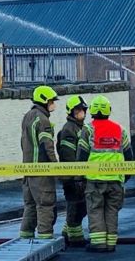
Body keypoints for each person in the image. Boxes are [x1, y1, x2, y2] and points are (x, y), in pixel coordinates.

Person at [85, 95, 131, 253]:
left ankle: (98, 243)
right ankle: (111, 243)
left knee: (95, 209)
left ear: (91, 110)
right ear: (109, 110)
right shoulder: (120, 129)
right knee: (112, 210)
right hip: (116, 179)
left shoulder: (88, 129)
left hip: (95, 179)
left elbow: (81, 155)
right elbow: (129, 155)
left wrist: (78, 176)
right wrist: (126, 175)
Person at [20, 85, 59, 240]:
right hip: (41, 171)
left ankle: (25, 236)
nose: (53, 104)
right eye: (51, 101)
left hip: (28, 169)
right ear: (44, 101)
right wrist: (56, 167)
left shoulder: (27, 116)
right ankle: (45, 238)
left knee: (30, 206)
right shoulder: (43, 120)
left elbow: (23, 143)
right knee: (45, 205)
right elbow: (47, 145)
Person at [57, 96, 92, 247]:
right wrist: (77, 176)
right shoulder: (68, 129)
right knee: (76, 206)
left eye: (82, 110)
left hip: (78, 175)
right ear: (71, 112)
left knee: (77, 205)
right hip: (72, 176)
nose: (81, 112)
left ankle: (67, 233)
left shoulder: (79, 128)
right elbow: (68, 156)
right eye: (78, 110)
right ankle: (75, 238)